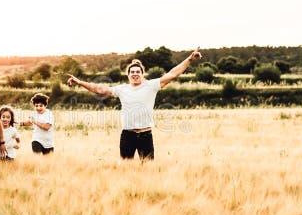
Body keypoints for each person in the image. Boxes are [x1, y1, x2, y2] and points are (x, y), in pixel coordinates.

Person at [66, 48, 201, 160]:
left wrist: (189, 59)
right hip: (127, 135)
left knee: (148, 170)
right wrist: (80, 82)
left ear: (142, 74)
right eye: (132, 72)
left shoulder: (151, 86)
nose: (135, 74)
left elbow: (173, 74)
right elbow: (99, 89)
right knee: (125, 170)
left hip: (145, 135)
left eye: (138, 72)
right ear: (128, 75)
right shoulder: (122, 89)